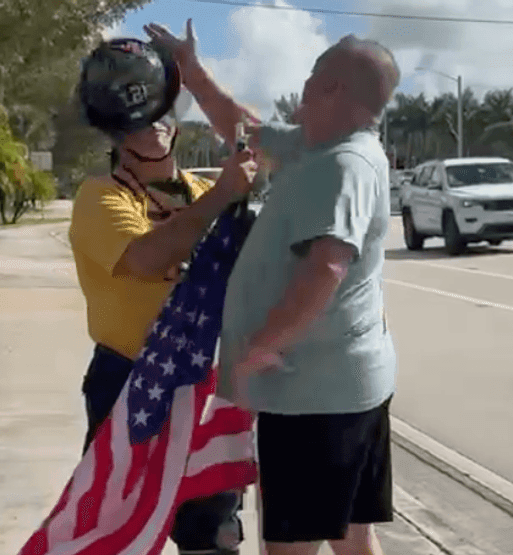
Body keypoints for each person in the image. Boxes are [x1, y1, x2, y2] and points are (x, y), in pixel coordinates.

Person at [145, 21, 400, 555]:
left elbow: (326, 268)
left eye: (310, 79)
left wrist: (265, 344)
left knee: (290, 543)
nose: (301, 90)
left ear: (331, 91)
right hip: (346, 387)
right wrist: (193, 74)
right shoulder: (319, 146)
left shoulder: (342, 165)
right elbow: (242, 128)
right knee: (351, 530)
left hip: (313, 396)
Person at [68, 37, 257, 555]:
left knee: (213, 538)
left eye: (159, 111)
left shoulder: (201, 191)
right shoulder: (100, 198)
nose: (152, 125)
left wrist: (192, 73)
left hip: (201, 386)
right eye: (136, 119)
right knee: (114, 533)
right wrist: (224, 195)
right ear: (115, 135)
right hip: (127, 383)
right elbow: (145, 257)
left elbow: (266, 142)